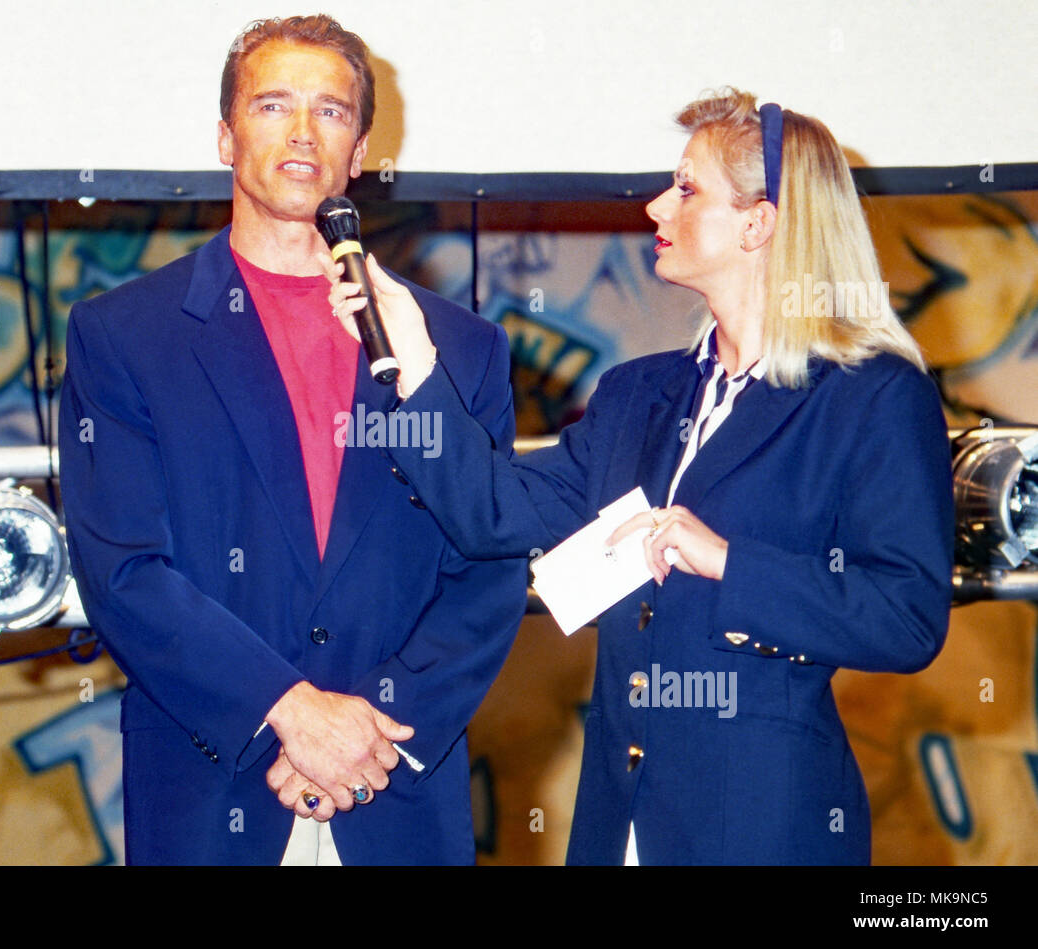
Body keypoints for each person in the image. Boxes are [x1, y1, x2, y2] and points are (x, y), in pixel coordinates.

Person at [328, 89, 954, 864]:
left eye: (687, 189)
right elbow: (493, 512)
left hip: (765, 828)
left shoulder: (872, 396)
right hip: (617, 825)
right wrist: (417, 361)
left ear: (760, 224)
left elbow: (906, 618)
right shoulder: (639, 394)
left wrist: (726, 560)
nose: (658, 206)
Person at [57, 15, 526, 865]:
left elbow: (489, 569)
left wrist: (365, 737)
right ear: (227, 136)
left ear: (360, 151)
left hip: (396, 787)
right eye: (274, 106)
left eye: (332, 112)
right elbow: (124, 571)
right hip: (214, 785)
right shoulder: (124, 335)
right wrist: (290, 710)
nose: (303, 133)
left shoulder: (457, 346)